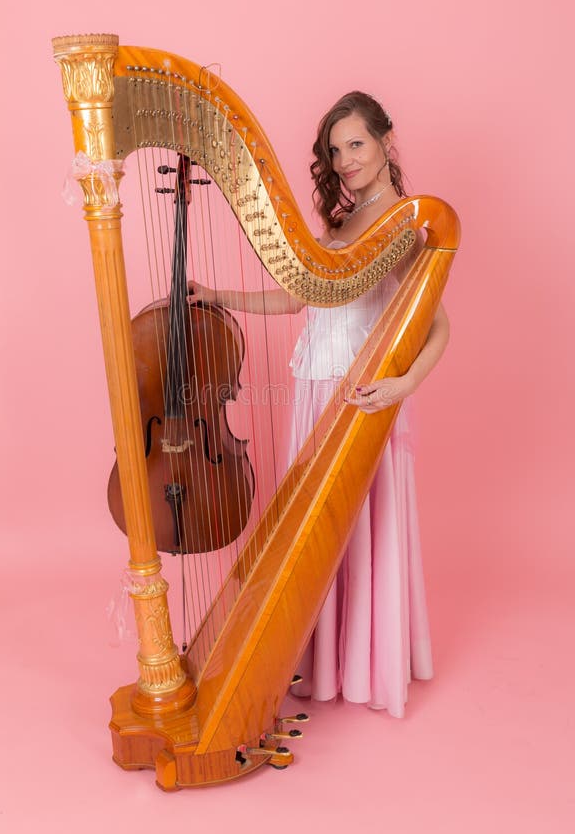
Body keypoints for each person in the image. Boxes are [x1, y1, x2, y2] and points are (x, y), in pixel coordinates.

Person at [190, 91, 449, 718]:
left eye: (356, 144)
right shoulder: (336, 226)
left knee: (365, 526)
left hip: (364, 394)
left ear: (388, 141)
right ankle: (318, 658)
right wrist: (214, 293)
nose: (345, 160)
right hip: (312, 391)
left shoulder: (407, 227)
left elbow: (438, 325)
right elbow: (294, 300)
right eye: (335, 151)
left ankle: (366, 663)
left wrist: (403, 386)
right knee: (312, 527)